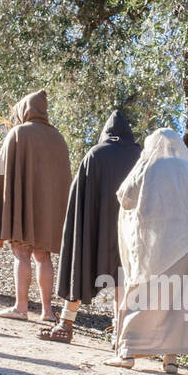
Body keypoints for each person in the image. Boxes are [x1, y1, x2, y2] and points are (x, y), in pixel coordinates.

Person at [106, 129, 188, 373]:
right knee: (179, 305)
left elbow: (125, 197)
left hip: (154, 247)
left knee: (141, 297)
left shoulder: (149, 165)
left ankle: (127, 353)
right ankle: (171, 359)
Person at [41, 110, 141, 343]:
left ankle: (66, 324)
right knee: (122, 277)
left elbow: (79, 198)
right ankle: (120, 333)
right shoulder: (141, 155)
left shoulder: (95, 155)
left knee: (81, 262)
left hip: (96, 228)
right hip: (130, 231)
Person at [0, 90, 70, 322]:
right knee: (43, 256)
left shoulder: (18, 134)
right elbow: (64, 178)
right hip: (48, 210)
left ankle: (21, 308)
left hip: (22, 205)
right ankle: (48, 312)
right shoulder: (58, 138)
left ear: (25, 110)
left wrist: (4, 205)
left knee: (21, 253)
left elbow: (1, 172)